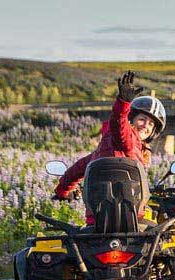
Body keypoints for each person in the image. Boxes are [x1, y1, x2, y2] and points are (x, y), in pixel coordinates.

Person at [53, 72, 166, 221]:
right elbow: (119, 124)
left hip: (97, 220)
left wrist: (62, 191)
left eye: (151, 124)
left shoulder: (104, 149)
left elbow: (75, 171)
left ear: (153, 132)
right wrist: (123, 103)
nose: (146, 125)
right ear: (131, 119)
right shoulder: (127, 139)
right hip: (131, 219)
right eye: (142, 119)